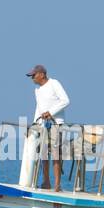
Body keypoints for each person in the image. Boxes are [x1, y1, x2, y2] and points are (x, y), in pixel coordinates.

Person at [27, 64, 70, 192]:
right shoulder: (37, 90)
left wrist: (50, 112)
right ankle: (46, 182)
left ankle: (57, 185)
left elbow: (65, 101)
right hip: (42, 125)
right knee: (43, 154)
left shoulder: (54, 83)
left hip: (56, 123)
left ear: (42, 74)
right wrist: (34, 125)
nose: (32, 78)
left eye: (33, 75)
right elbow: (38, 108)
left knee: (56, 154)